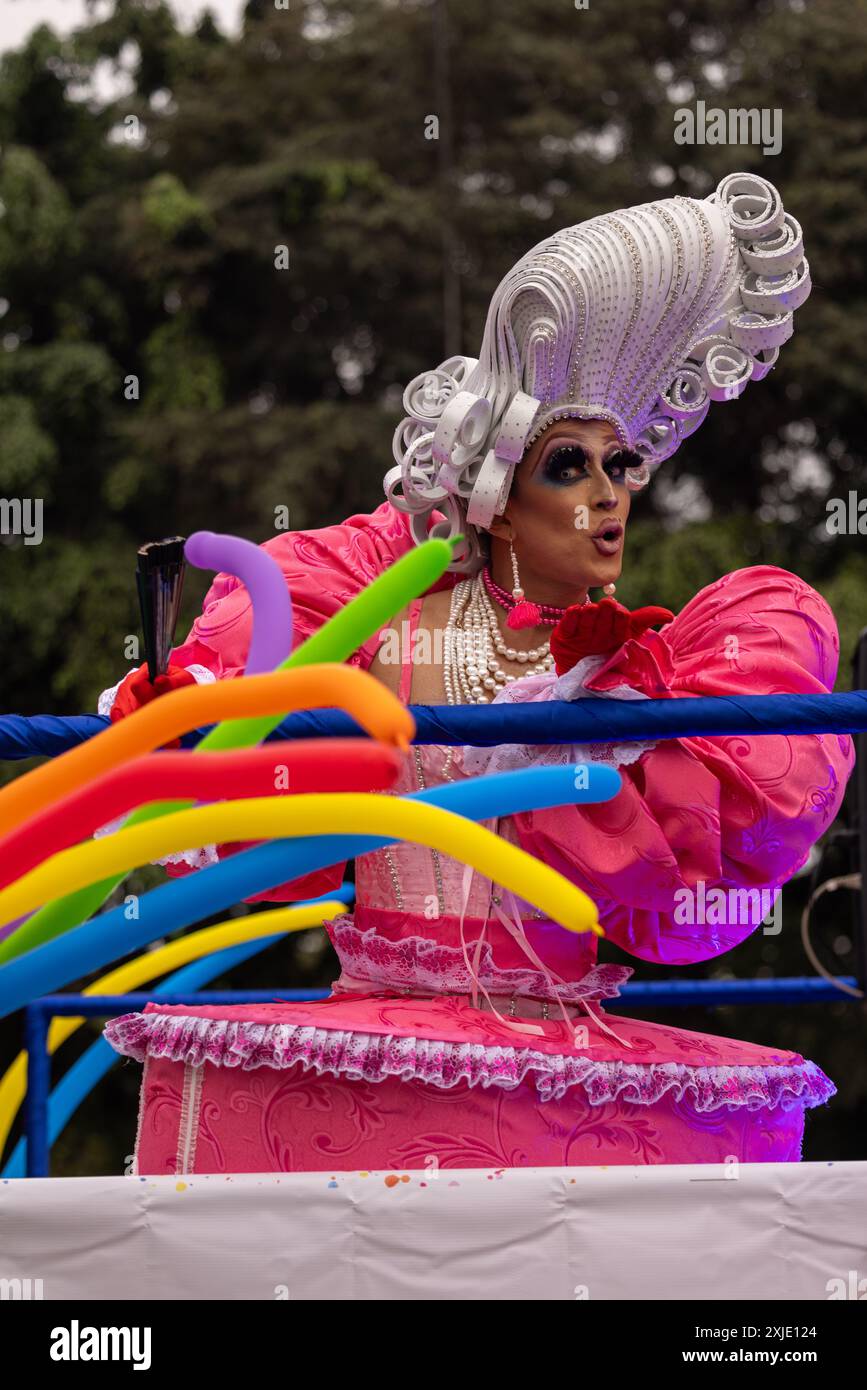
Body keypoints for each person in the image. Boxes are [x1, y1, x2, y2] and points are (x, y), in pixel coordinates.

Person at [104, 172, 854, 1170]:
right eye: (569, 466)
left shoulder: (635, 675)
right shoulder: (380, 620)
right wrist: (189, 714)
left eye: (619, 465)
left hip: (561, 1064)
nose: (608, 496)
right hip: (373, 1045)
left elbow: (690, 880)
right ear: (497, 497)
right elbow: (238, 743)